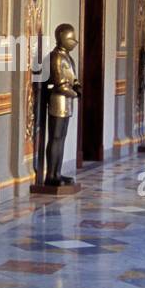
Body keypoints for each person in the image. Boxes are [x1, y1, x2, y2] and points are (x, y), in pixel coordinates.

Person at [44, 23, 80, 185]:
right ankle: (50, 175)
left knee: (62, 138)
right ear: (63, 39)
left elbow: (73, 78)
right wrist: (75, 93)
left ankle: (57, 173)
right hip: (58, 100)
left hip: (67, 101)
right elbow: (60, 83)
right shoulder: (56, 57)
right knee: (55, 137)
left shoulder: (68, 57)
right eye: (71, 39)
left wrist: (78, 87)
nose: (74, 42)